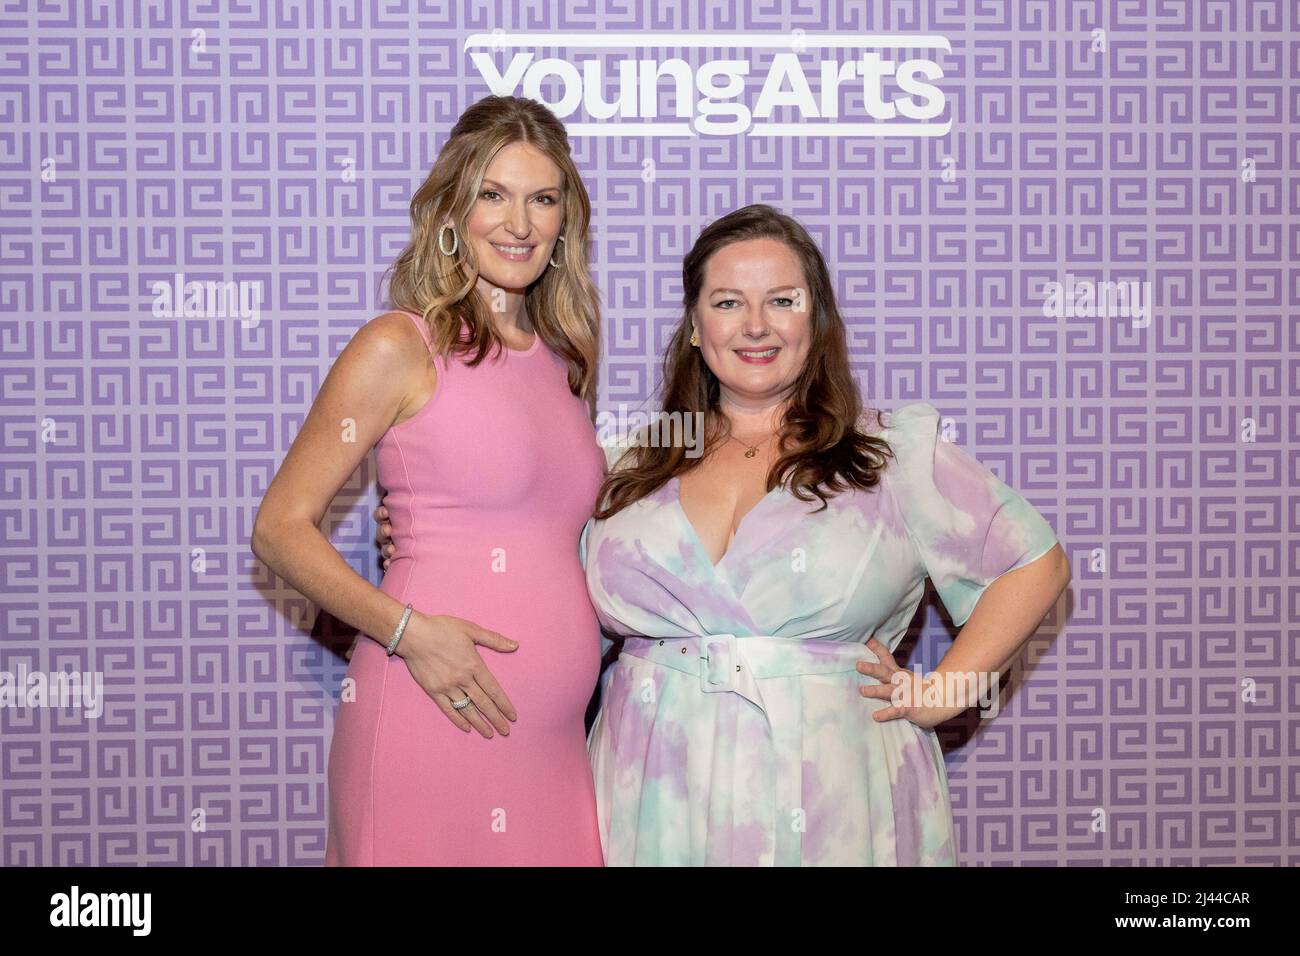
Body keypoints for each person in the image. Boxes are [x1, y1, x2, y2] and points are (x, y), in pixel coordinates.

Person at [376, 204, 1072, 866]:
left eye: (783, 300)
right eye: (728, 302)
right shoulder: (629, 465)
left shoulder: (890, 457)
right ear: (694, 327)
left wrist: (950, 688)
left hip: (837, 795)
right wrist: (436, 535)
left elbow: (1033, 563)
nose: (755, 326)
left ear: (818, 320)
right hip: (652, 790)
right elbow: (529, 546)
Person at [251, 95, 606, 865]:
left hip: (553, 747)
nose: (519, 223)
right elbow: (279, 528)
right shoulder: (400, 345)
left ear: (564, 221)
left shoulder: (562, 363)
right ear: (452, 210)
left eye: (542, 199)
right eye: (493, 194)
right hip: (433, 714)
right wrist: (409, 632)